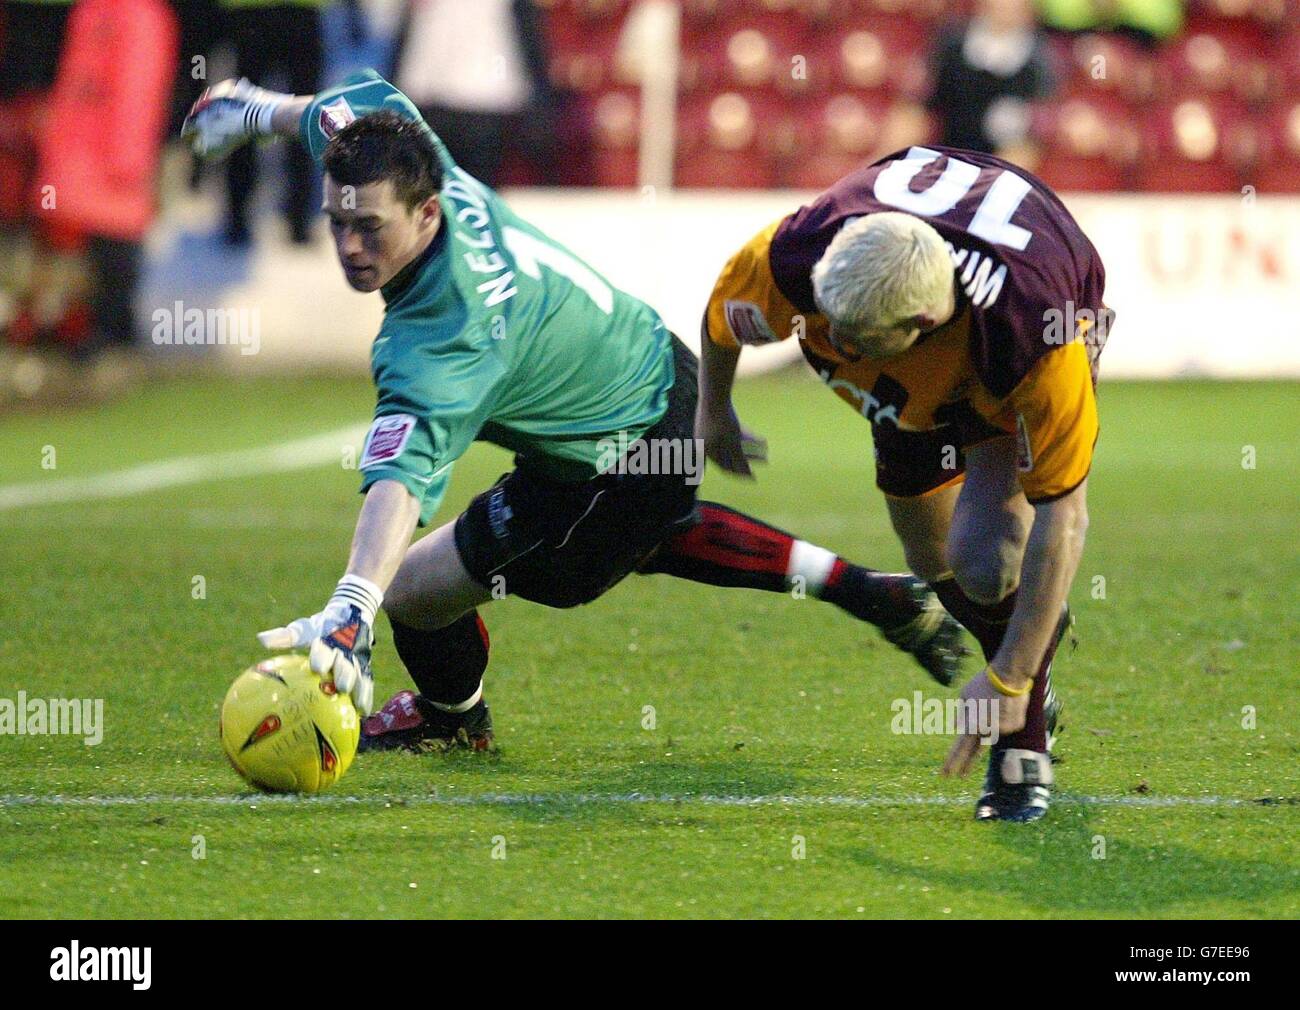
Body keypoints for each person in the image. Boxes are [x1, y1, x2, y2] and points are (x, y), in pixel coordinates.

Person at [181, 71, 969, 754]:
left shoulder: (443, 340)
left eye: (369, 227)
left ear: (425, 215)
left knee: (418, 595)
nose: (350, 244)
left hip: (613, 457)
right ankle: (872, 590)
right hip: (661, 369)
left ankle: (452, 719)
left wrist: (350, 606)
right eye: (338, 222)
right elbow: (335, 111)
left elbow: (399, 482)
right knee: (646, 530)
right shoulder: (408, 150)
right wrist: (250, 110)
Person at [696, 145, 1109, 821]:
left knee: (988, 558)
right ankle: (1025, 632)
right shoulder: (801, 255)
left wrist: (1008, 678)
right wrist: (712, 410)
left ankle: (1022, 747)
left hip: (1001, 341)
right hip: (918, 356)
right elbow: (722, 317)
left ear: (921, 325)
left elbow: (1064, 518)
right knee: (928, 556)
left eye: (853, 338)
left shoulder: (1034, 339)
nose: (832, 347)